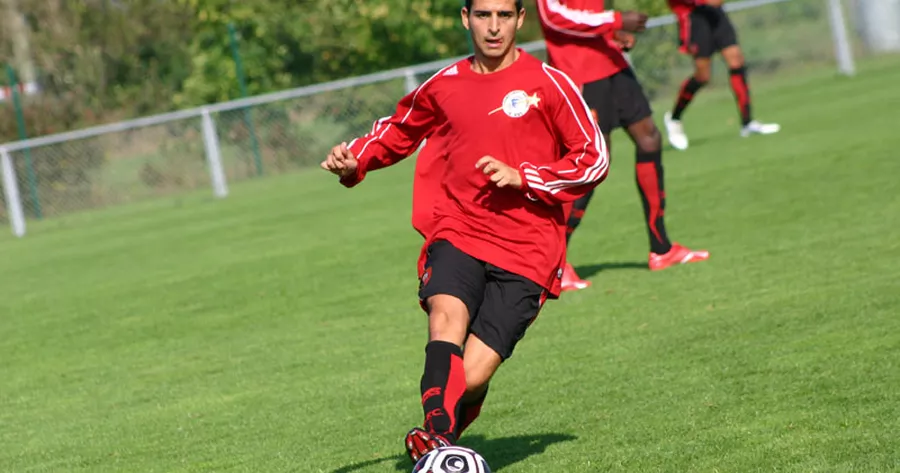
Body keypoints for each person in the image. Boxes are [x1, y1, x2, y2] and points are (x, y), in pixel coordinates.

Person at [321, 0, 609, 463]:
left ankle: (443, 434)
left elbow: (593, 159)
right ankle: (436, 438)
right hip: (460, 228)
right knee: (445, 320)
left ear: (519, 19)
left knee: (471, 378)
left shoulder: (550, 84)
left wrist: (525, 177)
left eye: (502, 16)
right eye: (482, 15)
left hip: (528, 251)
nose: (492, 27)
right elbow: (399, 129)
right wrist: (357, 159)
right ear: (465, 18)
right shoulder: (445, 84)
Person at [535, 0, 709, 291]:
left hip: (611, 62)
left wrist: (610, 36)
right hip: (580, 73)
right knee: (592, 163)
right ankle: (554, 263)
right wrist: (614, 20)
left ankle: (661, 249)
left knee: (650, 139)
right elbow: (552, 16)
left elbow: (587, 14)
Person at [663, 0, 780, 150]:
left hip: (715, 15)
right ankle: (674, 119)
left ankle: (747, 123)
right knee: (703, 76)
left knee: (736, 61)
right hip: (694, 19)